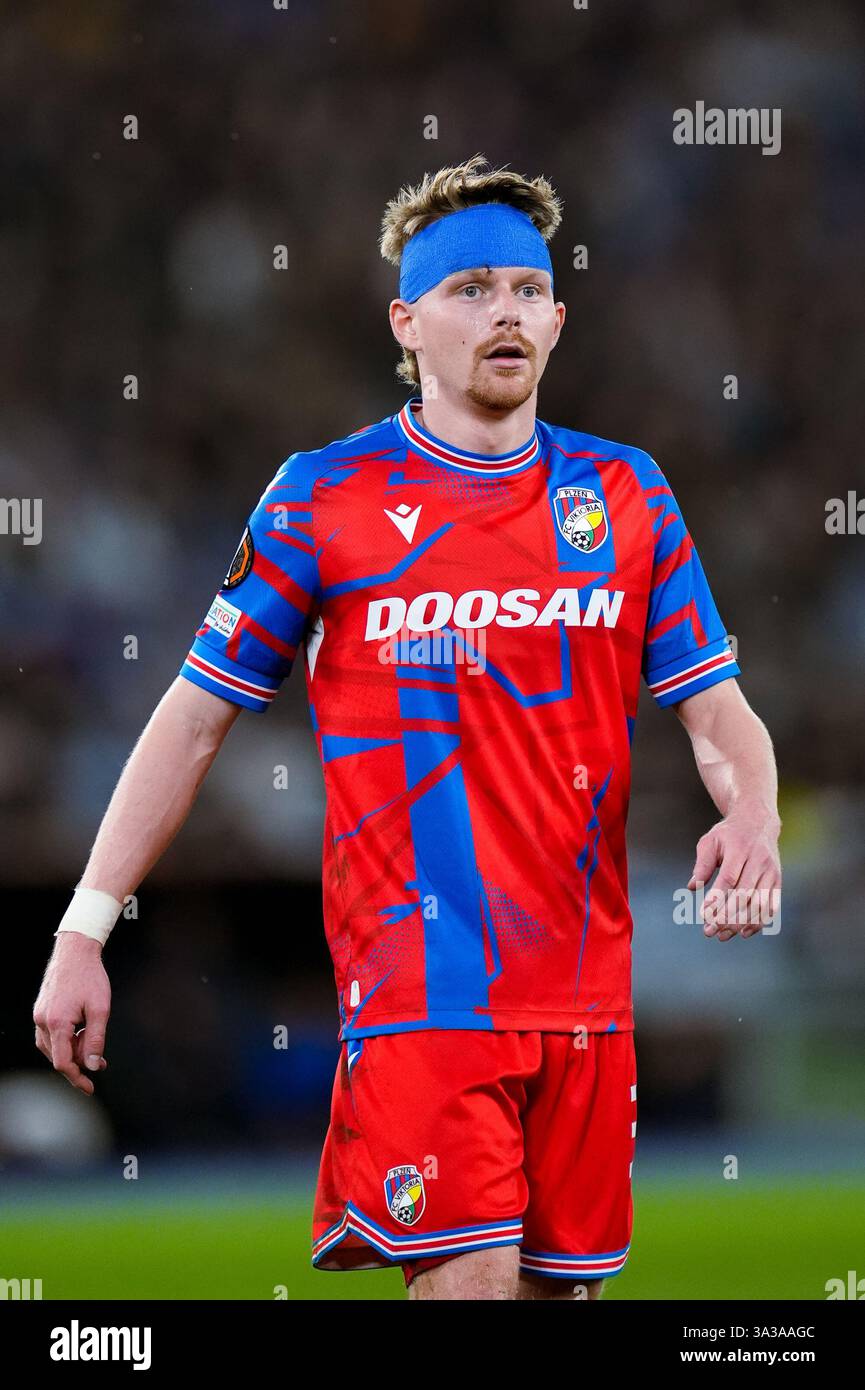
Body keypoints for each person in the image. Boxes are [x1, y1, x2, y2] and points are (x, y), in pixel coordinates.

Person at [34, 154, 782, 1302]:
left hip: (585, 991)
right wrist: (85, 926)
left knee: (558, 1295)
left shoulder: (627, 496)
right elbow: (192, 719)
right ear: (408, 319)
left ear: (558, 317)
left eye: (527, 290)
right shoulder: (322, 497)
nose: (506, 313)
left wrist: (758, 817)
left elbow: (715, 705)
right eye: (471, 288)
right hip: (420, 985)